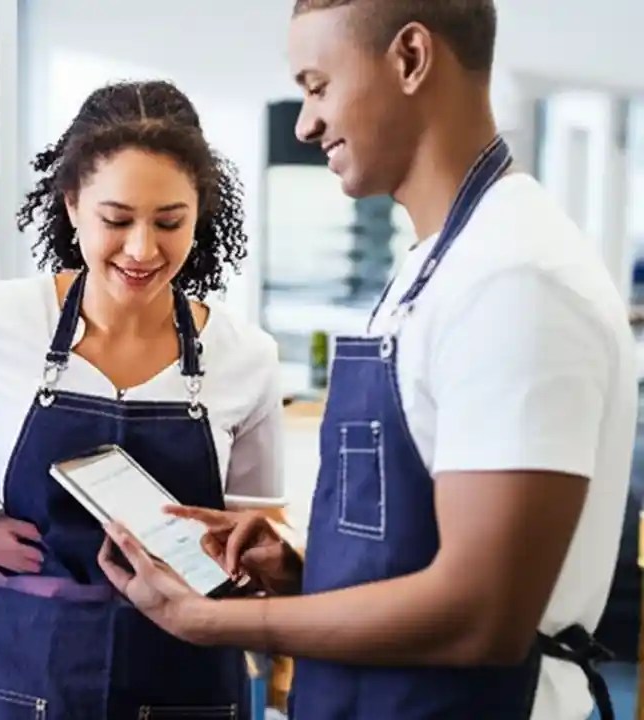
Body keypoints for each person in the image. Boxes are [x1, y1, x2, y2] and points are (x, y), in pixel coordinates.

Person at [99, 2, 637, 719]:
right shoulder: (438, 265)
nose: (305, 124)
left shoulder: (515, 277)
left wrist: (215, 621)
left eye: (317, 86)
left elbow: (482, 615)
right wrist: (305, 572)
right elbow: (421, 552)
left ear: (411, 58)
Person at [0, 79, 286, 719]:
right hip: (24, 672)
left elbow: (258, 530)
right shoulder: (3, 319)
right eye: (117, 219)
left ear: (200, 213)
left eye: (170, 222)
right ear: (73, 204)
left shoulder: (247, 355)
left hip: (187, 681)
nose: (142, 249)